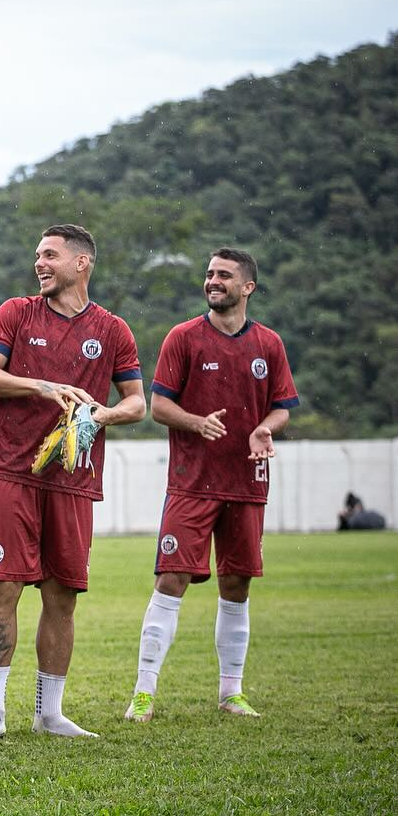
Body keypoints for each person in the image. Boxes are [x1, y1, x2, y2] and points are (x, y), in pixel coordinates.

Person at [0, 224, 146, 742]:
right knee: (5, 587)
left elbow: (137, 401)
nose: (40, 263)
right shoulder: (16, 313)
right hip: (14, 474)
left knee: (62, 595)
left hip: (74, 481)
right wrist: (43, 387)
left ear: (81, 263)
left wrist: (102, 415)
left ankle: (49, 712)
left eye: (50, 255)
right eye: (37, 255)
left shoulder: (112, 329)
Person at [125, 248, 299, 723]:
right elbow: (159, 406)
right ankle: (143, 693)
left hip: (246, 481)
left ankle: (231, 692)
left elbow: (282, 406)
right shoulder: (184, 338)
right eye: (209, 274)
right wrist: (196, 422)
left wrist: (266, 427)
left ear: (248, 288)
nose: (213, 281)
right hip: (192, 483)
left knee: (237, 583)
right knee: (171, 578)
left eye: (224, 275)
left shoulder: (269, 344)